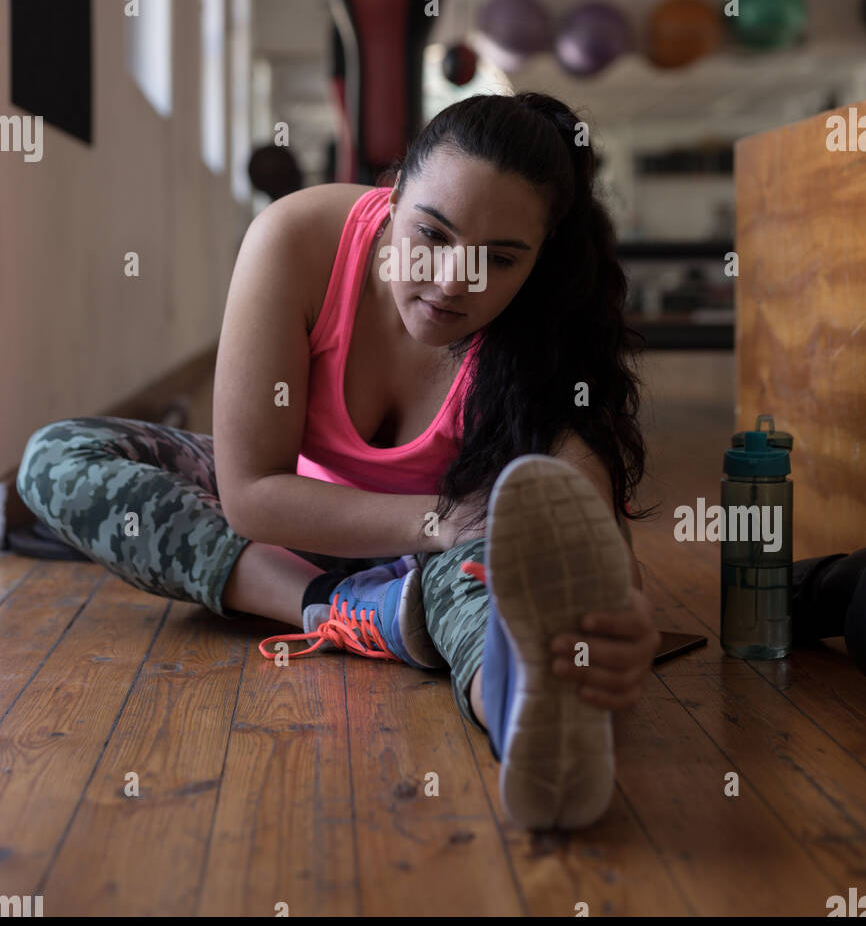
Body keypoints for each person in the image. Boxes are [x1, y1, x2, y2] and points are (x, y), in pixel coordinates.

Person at [17, 91, 864, 830]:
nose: (454, 281)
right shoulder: (296, 239)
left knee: (496, 585)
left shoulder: (542, 338)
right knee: (59, 459)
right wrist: (435, 520)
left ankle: (528, 726)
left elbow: (580, 520)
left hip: (445, 557)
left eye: (500, 259)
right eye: (432, 234)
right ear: (391, 197)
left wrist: (615, 615)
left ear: (539, 261)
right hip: (294, 535)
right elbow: (248, 495)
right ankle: (341, 610)